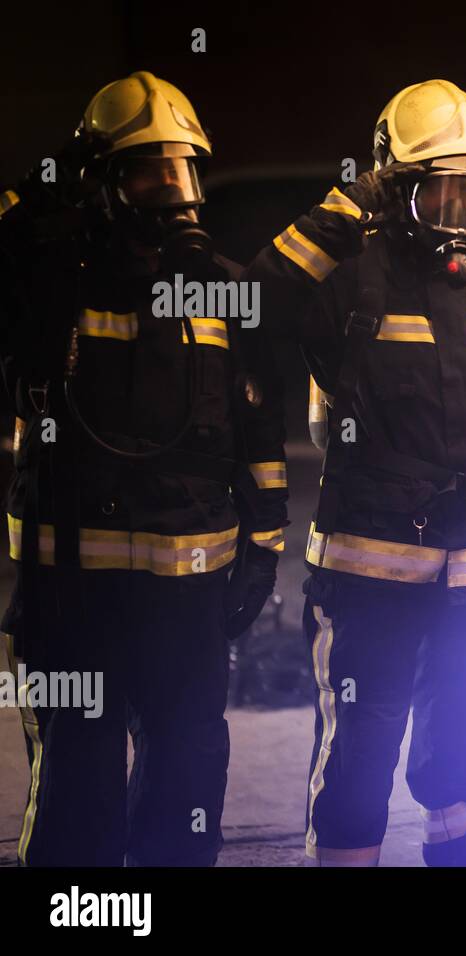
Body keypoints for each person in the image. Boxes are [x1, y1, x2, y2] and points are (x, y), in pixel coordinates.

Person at [245, 79, 466, 867]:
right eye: (438, 197)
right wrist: (344, 207)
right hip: (368, 577)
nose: (459, 219)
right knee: (362, 752)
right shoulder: (350, 279)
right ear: (397, 192)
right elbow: (250, 301)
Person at [0, 71, 287, 866]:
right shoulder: (52, 284)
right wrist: (50, 173)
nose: (175, 194)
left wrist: (264, 547)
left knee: (187, 774)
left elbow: (257, 425)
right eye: (148, 171)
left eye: (184, 171)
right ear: (103, 184)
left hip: (187, 596)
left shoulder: (225, 290)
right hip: (71, 591)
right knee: (77, 789)